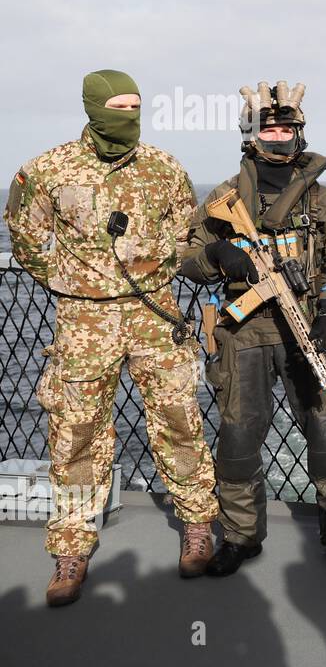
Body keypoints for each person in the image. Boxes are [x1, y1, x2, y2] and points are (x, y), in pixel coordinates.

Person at [5, 69, 218, 605]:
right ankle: (72, 548)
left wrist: (153, 265)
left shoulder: (164, 168)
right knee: (77, 433)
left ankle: (196, 527)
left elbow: (185, 232)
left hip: (154, 316)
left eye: (135, 105)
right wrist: (73, 279)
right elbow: (26, 237)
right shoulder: (46, 171)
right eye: (117, 105)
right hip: (83, 324)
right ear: (93, 107)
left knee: (178, 421)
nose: (128, 115)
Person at [180, 80, 326, 576]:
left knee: (325, 433)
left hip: (306, 327)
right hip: (243, 335)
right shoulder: (223, 198)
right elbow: (185, 259)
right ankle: (241, 538)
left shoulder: (322, 202)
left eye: (288, 126)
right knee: (238, 439)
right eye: (271, 126)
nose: (280, 134)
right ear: (252, 133)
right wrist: (219, 254)